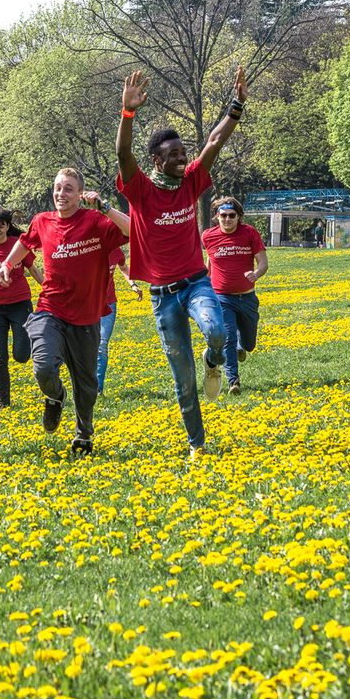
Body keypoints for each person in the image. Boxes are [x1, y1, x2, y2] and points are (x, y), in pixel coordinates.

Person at [115, 66, 247, 455]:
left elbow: (215, 141)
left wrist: (236, 105)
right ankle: (197, 445)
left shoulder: (191, 180)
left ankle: (214, 359)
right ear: (155, 161)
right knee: (182, 380)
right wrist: (127, 113)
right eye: (173, 156)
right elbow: (123, 153)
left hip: (195, 283)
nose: (181, 160)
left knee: (219, 333)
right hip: (162, 296)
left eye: (182, 154)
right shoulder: (138, 190)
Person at [0, 169, 129, 456]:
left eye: (68, 189)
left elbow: (133, 230)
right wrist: (7, 265)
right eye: (57, 188)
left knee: (87, 384)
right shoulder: (42, 221)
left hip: (87, 316)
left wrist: (105, 206)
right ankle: (55, 396)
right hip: (50, 308)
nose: (61, 194)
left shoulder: (96, 221)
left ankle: (84, 433)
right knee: (43, 366)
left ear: (80, 194)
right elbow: (25, 242)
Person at [0, 207, 44, 408]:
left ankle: (27, 346)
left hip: (20, 304)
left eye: (0, 226)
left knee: (21, 355)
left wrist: (48, 288)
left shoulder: (18, 245)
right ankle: (4, 403)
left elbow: (33, 270)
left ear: (7, 226)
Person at [202, 196, 268, 395]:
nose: (227, 219)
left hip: (247, 297)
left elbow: (263, 263)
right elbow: (210, 261)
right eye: (223, 215)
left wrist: (255, 274)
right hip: (222, 298)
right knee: (228, 338)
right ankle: (233, 381)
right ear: (217, 216)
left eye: (232, 215)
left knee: (249, 344)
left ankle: (242, 345)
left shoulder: (249, 233)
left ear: (239, 217)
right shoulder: (208, 236)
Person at [96, 246, 142, 394]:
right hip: (87, 305)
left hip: (109, 304)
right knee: (85, 347)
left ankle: (97, 389)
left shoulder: (116, 251)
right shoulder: (89, 247)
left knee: (101, 344)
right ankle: (84, 386)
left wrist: (133, 284)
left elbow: (123, 267)